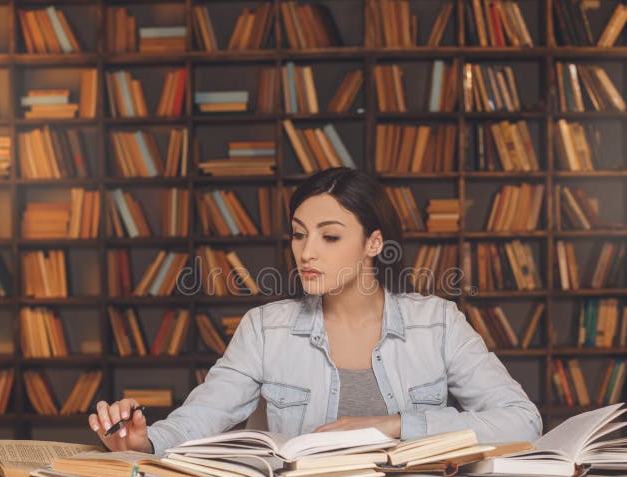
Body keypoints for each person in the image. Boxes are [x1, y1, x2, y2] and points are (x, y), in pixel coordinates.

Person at [89, 167, 542, 454]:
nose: (306, 252)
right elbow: (202, 417)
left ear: (373, 244)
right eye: (298, 234)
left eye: (329, 236)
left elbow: (522, 420)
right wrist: (145, 442)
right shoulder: (266, 329)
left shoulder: (439, 324)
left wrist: (393, 425)